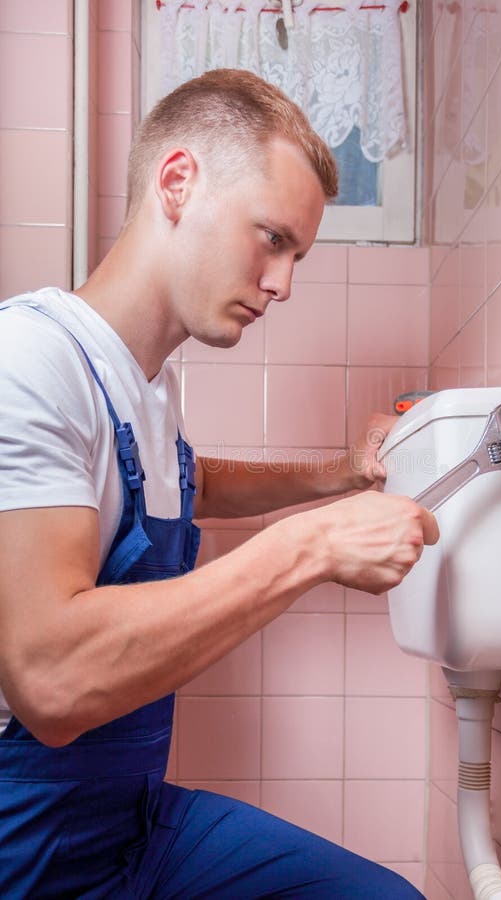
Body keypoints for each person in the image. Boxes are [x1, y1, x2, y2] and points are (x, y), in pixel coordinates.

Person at [0, 69, 438, 897]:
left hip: (128, 821)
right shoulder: (31, 362)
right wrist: (308, 549)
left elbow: (187, 483)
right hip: (25, 841)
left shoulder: (146, 384)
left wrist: (342, 475)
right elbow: (50, 678)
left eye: (296, 256)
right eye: (272, 239)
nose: (283, 284)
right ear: (177, 182)